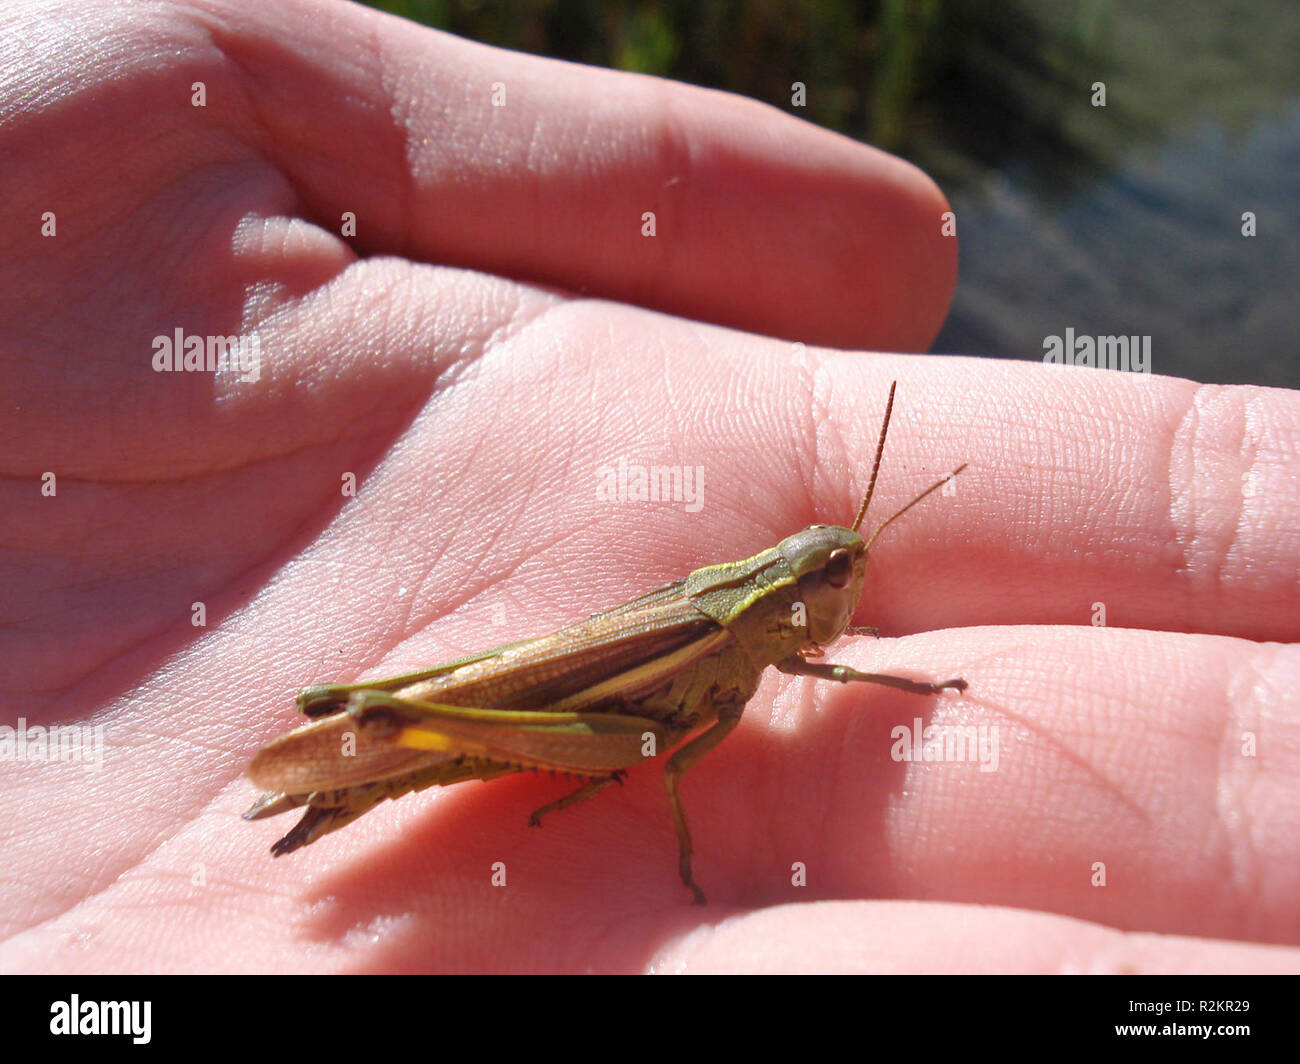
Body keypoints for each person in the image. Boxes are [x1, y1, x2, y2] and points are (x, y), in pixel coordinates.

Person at [2, 0, 1296, 973]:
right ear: (790, 588)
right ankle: (379, 732)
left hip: (601, 702)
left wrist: (916, 685)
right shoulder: (744, 641)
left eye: (841, 573)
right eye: (832, 575)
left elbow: (802, 684)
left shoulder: (761, 630)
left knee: (635, 741)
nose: (842, 598)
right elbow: (674, 748)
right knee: (629, 750)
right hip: (511, 717)